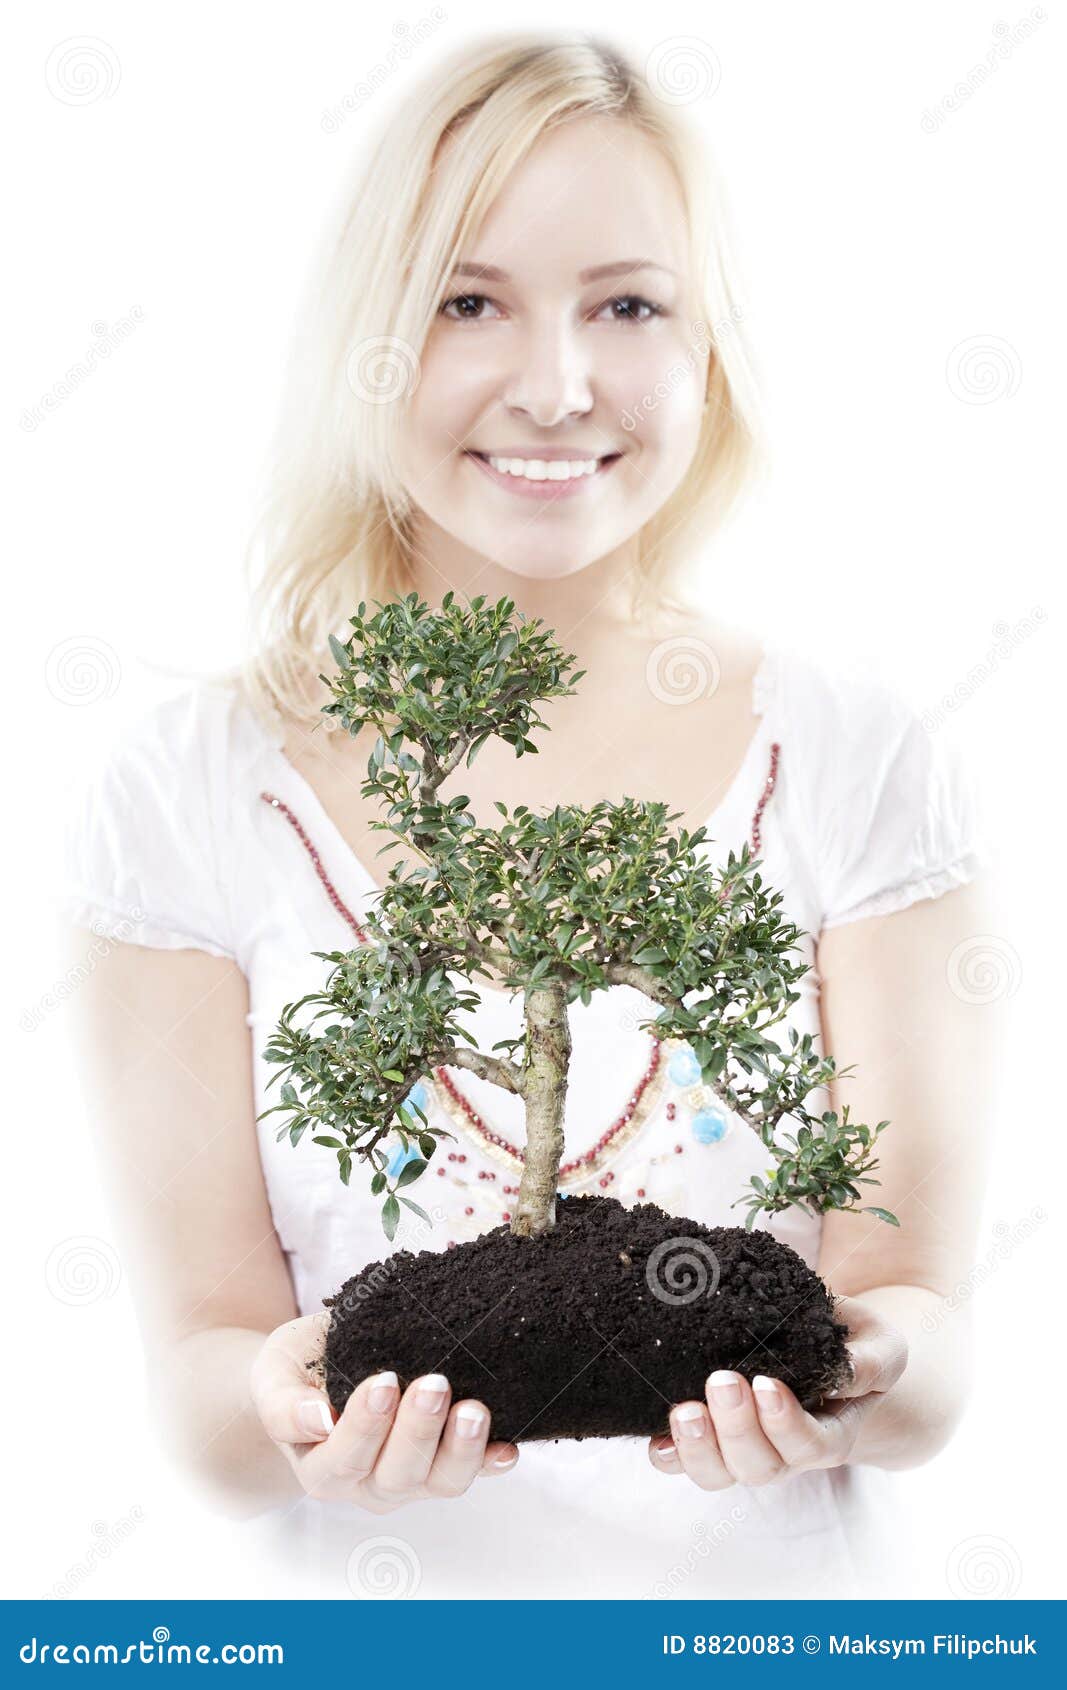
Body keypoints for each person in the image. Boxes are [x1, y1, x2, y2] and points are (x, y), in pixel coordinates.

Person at [58, 31, 996, 1600]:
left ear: (709, 347)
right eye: (468, 301)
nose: (555, 388)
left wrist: (874, 1372)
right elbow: (200, 1373)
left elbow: (922, 1315)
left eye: (627, 304)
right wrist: (274, 1401)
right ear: (371, 332)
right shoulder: (189, 784)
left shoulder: (852, 754)